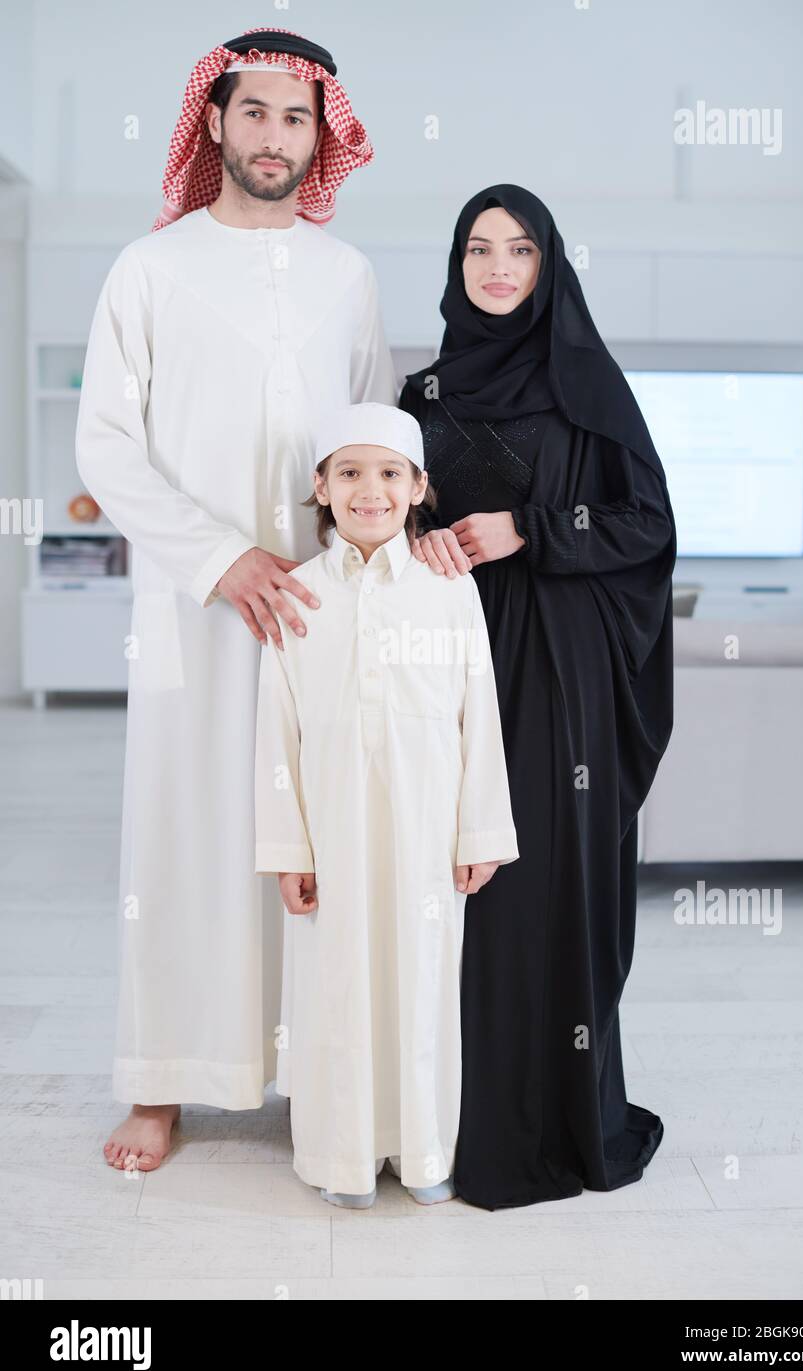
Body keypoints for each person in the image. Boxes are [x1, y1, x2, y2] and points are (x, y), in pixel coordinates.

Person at [74, 27, 397, 1174]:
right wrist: (220, 559)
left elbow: (372, 434)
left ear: (322, 136)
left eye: (296, 119)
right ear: (212, 122)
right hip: (194, 606)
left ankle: (315, 1076)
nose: (274, 138)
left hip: (317, 611)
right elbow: (106, 446)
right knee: (185, 831)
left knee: (312, 840)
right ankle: (166, 1079)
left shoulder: (344, 275)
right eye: (254, 113)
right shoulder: (149, 269)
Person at [399, 184, 677, 1210]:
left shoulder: (587, 385)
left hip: (561, 673)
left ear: (548, 263)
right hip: (447, 660)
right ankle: (444, 1118)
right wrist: (419, 534)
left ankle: (553, 1121)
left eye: (520, 248)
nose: (499, 266)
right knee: (454, 889)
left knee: (540, 882)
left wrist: (531, 528)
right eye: (479, 247)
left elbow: (645, 523)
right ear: (455, 265)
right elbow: (378, 507)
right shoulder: (421, 394)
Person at [254, 402, 518, 1207]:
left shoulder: (449, 591)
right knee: (338, 986)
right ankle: (343, 1158)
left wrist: (480, 830)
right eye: (351, 473)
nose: (371, 490)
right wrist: (288, 852)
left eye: (390, 473)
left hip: (428, 825)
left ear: (419, 487)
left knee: (423, 982)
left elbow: (481, 716)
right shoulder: (298, 594)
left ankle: (423, 1151)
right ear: (322, 487)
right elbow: (278, 734)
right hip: (332, 828)